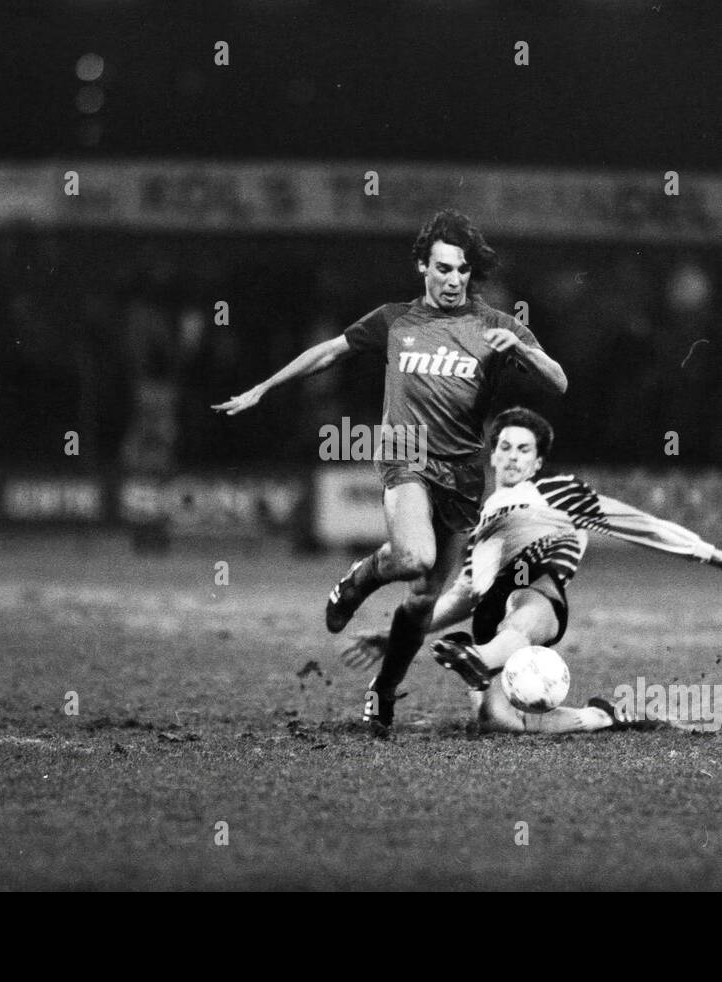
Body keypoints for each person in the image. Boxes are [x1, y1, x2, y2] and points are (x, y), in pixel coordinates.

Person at [214, 210, 567, 736]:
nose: (453, 280)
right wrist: (265, 388)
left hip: (465, 471)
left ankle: (382, 691)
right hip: (404, 452)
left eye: (463, 271)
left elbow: (558, 381)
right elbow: (330, 352)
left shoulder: (496, 326)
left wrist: (523, 350)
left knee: (424, 596)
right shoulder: (394, 320)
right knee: (413, 555)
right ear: (423, 266)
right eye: (443, 269)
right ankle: (358, 582)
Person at [341, 407, 722, 734]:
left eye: (524, 449)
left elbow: (636, 522)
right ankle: (605, 716)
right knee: (499, 723)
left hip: (538, 591)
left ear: (537, 462)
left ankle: (478, 658)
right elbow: (464, 593)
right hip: (488, 618)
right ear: (493, 453)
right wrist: (395, 636)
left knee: (520, 603)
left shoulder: (558, 492)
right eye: (506, 446)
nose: (513, 456)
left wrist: (706, 552)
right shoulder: (478, 519)